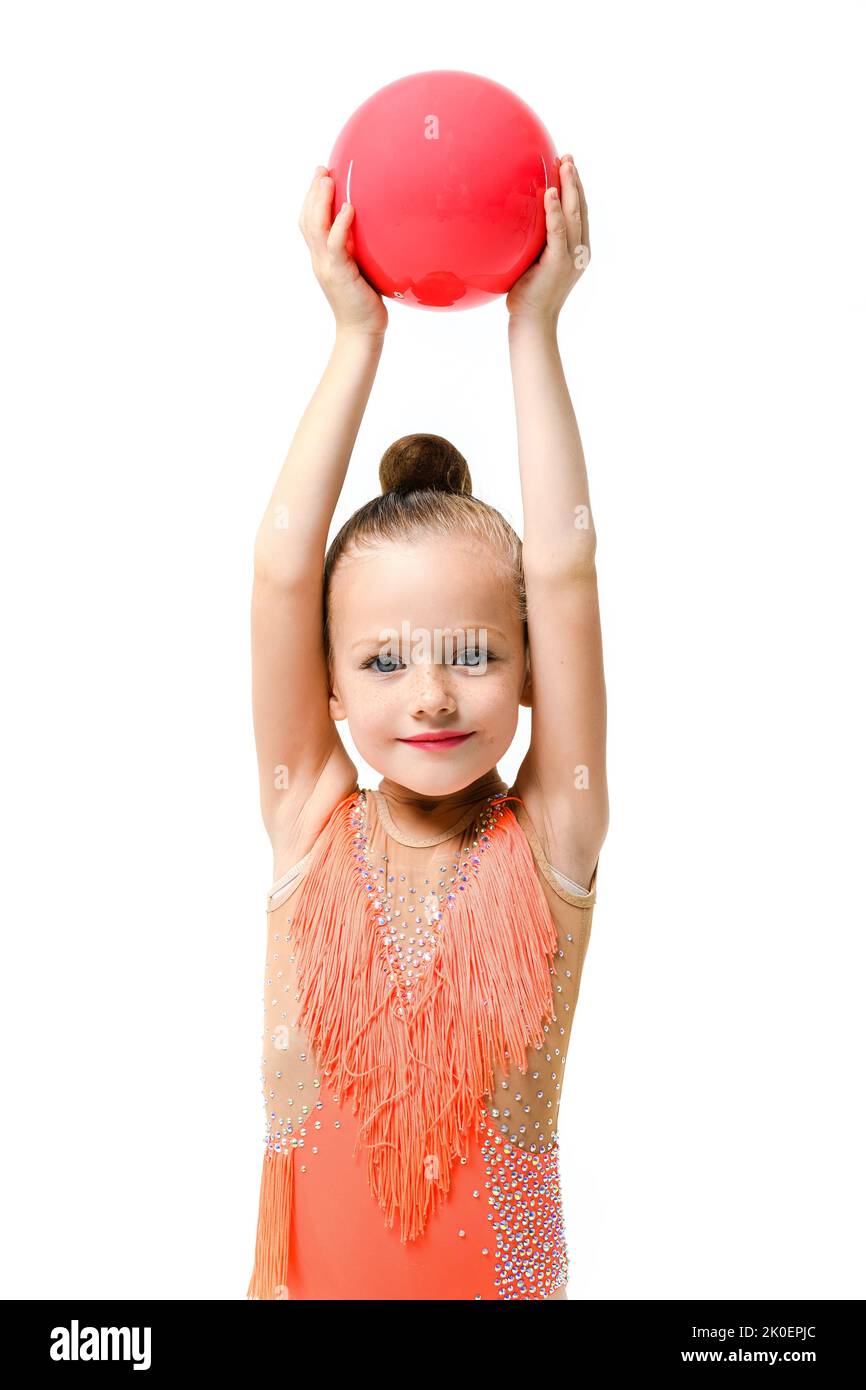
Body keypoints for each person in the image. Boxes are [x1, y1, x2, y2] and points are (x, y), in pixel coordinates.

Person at [246, 156, 608, 1300]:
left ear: (534, 668)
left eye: (474, 652)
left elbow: (560, 566)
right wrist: (354, 335)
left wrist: (532, 325)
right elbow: (277, 572)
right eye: (384, 661)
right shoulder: (307, 816)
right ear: (331, 688)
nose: (433, 694)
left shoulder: (554, 837)